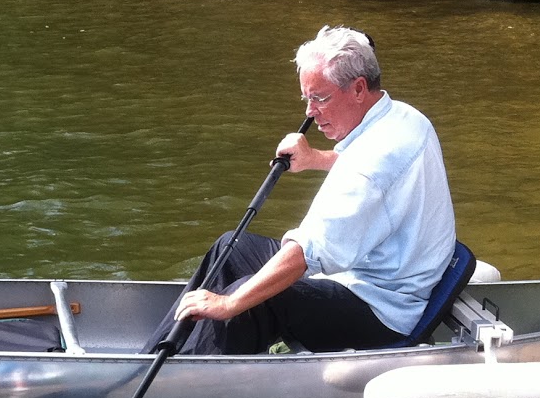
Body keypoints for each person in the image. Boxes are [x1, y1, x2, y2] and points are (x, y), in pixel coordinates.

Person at [150, 25, 456, 355]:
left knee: (256, 298)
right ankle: (157, 354)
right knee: (232, 247)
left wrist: (229, 304)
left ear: (358, 89)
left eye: (319, 98)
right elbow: (379, 176)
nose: (309, 111)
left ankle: (185, 382)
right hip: (376, 272)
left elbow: (305, 253)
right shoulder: (404, 117)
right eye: (306, 97)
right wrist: (313, 158)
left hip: (380, 310)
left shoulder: (368, 167)